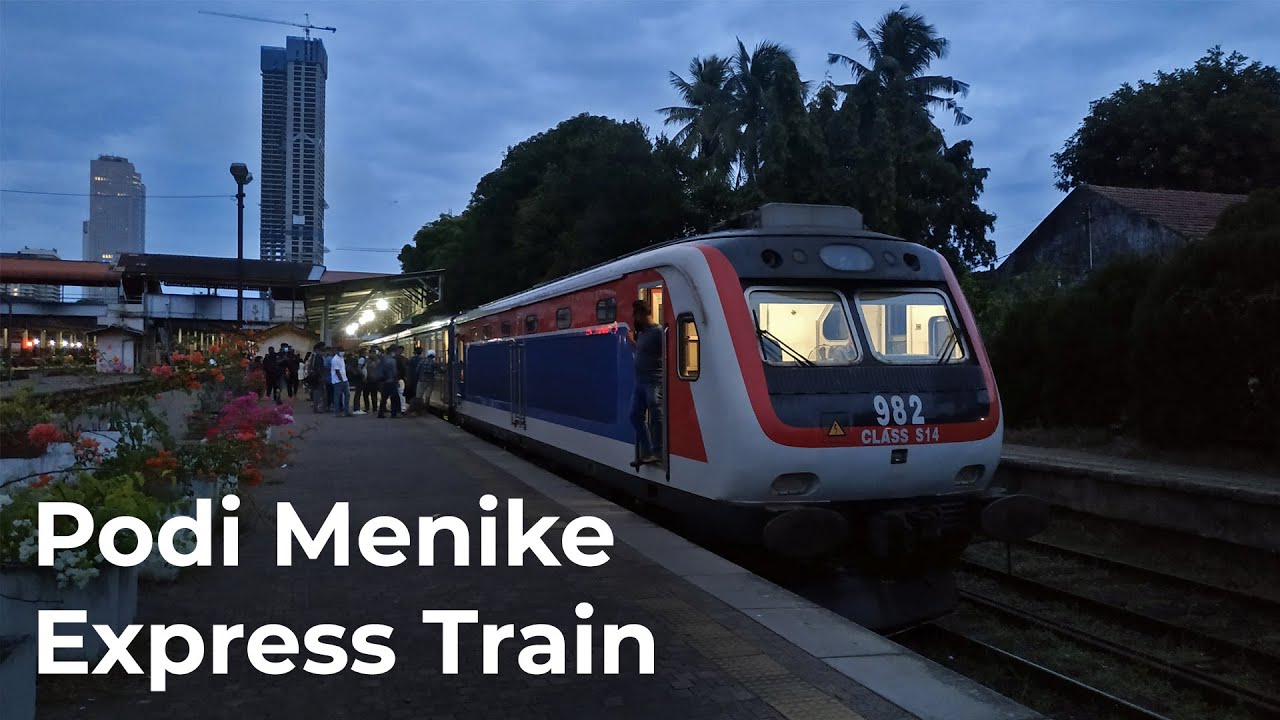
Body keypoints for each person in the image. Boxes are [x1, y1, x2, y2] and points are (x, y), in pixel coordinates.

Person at [629, 300, 663, 465]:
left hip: (653, 380)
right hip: (640, 381)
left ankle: (658, 451)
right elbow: (642, 352)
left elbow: (665, 354)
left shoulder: (659, 333)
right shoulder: (642, 334)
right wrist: (631, 342)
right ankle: (648, 451)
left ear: (642, 314)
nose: (634, 318)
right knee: (635, 416)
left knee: (656, 412)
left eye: (635, 314)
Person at [378, 346, 402, 418]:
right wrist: (396, 381)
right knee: (394, 398)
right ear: (392, 352)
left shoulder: (382, 360)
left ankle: (381, 413)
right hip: (391, 381)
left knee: (384, 398)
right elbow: (394, 372)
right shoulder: (392, 361)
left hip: (384, 381)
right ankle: (394, 413)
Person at [330, 348, 351, 417]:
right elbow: (337, 371)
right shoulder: (335, 359)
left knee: (347, 395)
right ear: (337, 351)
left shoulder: (341, 358)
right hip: (338, 381)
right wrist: (341, 380)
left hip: (344, 379)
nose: (343, 352)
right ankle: (337, 412)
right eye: (341, 351)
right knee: (337, 397)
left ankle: (346, 411)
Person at [308, 343, 329, 413]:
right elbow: (318, 367)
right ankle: (317, 408)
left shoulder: (314, 355)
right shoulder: (319, 356)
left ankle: (320, 407)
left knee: (319, 392)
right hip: (318, 376)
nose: (324, 347)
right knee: (318, 392)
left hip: (316, 376)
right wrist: (321, 376)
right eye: (323, 346)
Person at [363, 348, 383, 414]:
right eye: (371, 353)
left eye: (373, 353)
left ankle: (374, 408)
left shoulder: (378, 360)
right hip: (367, 380)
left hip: (375, 380)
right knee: (366, 394)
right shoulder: (366, 360)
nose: (372, 354)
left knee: (374, 395)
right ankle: (367, 407)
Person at [406, 346, 424, 413]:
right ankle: (418, 409)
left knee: (413, 394)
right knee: (419, 394)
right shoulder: (422, 360)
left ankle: (412, 408)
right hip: (420, 379)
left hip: (412, 379)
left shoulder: (411, 360)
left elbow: (408, 369)